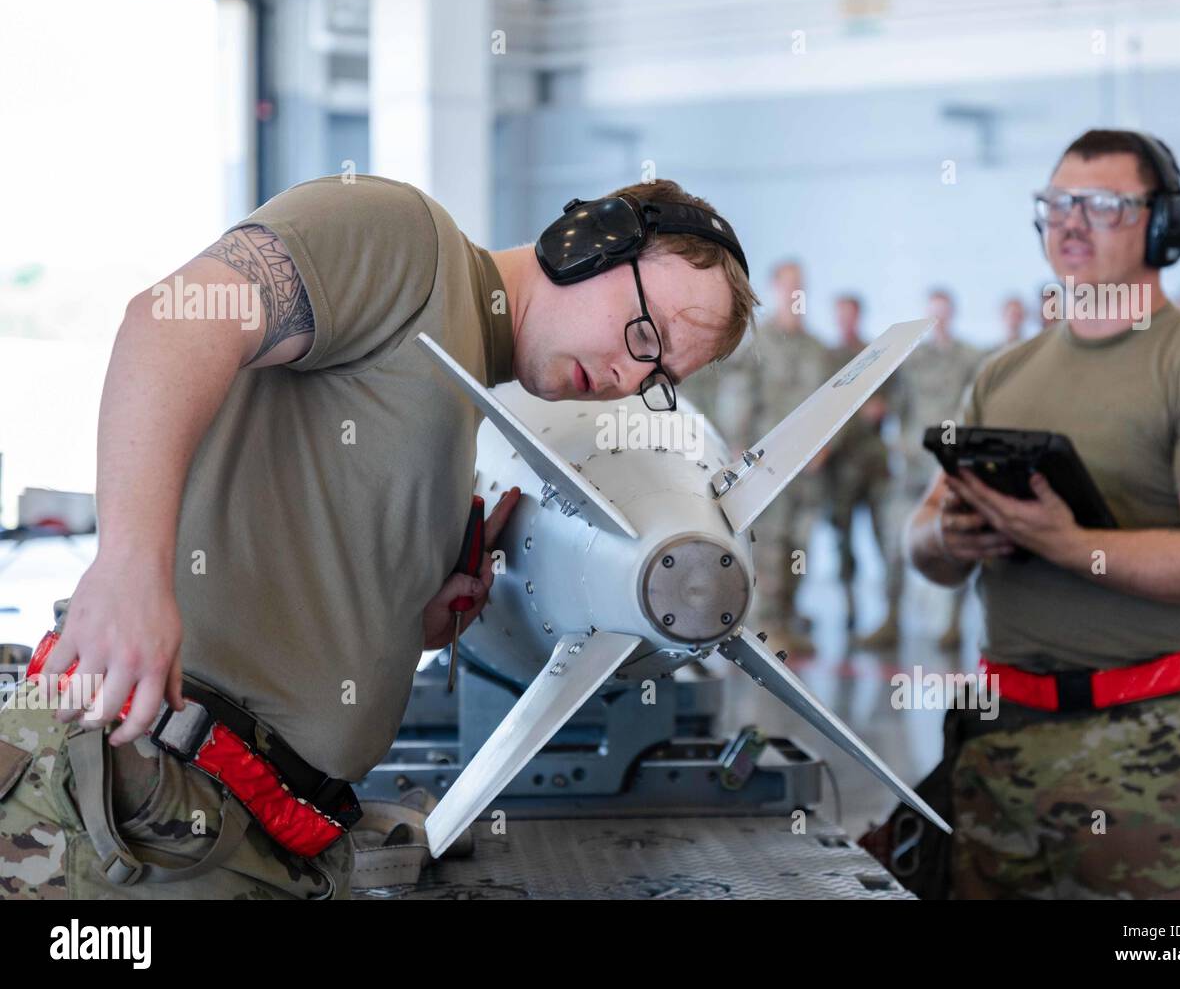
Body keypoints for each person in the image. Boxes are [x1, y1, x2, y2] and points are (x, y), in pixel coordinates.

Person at [0, 175, 757, 899]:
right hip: (114, 811)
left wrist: (406, 624)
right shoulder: (409, 243)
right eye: (644, 332)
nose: (628, 374)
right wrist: (130, 568)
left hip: (228, 831)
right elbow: (174, 318)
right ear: (585, 240)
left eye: (657, 376)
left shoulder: (457, 388)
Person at [908, 129, 1180, 899]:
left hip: (1148, 749)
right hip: (997, 739)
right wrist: (952, 536)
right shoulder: (1003, 374)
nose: (1072, 222)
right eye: (1057, 204)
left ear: (1162, 225)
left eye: (1104, 205)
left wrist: (1072, 545)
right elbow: (922, 546)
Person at [716, 260, 829, 657]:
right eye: (788, 286)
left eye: (801, 285)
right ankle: (766, 627)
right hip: (770, 465)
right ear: (775, 290)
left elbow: (832, 405)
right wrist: (740, 448)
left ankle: (789, 619)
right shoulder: (758, 346)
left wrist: (827, 444)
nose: (795, 293)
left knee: (801, 547)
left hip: (809, 471)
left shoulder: (817, 349)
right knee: (772, 548)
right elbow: (737, 401)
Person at [865, 288, 982, 649]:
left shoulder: (971, 358)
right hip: (912, 464)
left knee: (958, 539)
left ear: (954, 314)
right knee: (894, 537)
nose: (939, 320)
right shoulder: (911, 359)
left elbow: (977, 406)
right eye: (933, 314)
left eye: (944, 313)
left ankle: (953, 625)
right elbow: (894, 405)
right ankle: (891, 617)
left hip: (950, 467)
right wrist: (895, 442)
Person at [822, 294, 893, 645]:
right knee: (843, 541)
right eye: (840, 316)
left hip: (875, 465)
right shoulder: (826, 357)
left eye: (851, 315)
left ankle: (889, 616)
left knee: (886, 541)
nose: (846, 322)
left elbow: (895, 400)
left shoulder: (878, 355)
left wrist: (883, 409)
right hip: (840, 467)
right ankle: (850, 610)